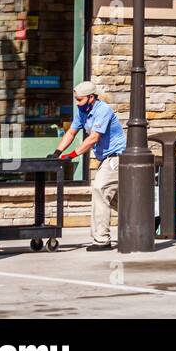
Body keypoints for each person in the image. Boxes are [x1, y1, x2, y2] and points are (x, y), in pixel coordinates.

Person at [53, 81, 126, 251]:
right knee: (114, 198)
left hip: (116, 157)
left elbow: (94, 138)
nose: (77, 103)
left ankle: (102, 240)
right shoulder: (82, 111)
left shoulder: (103, 110)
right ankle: (143, 219)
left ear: (91, 97)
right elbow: (71, 132)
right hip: (106, 159)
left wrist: (72, 155)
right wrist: (57, 152)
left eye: (79, 100)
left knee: (99, 190)